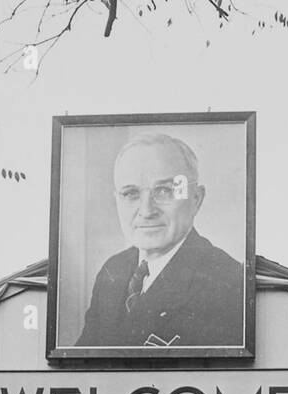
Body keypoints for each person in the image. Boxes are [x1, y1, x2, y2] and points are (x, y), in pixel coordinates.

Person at [76, 133, 245, 349]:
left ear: (196, 199)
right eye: (130, 193)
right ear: (117, 200)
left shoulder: (229, 284)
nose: (146, 211)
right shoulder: (112, 271)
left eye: (164, 191)